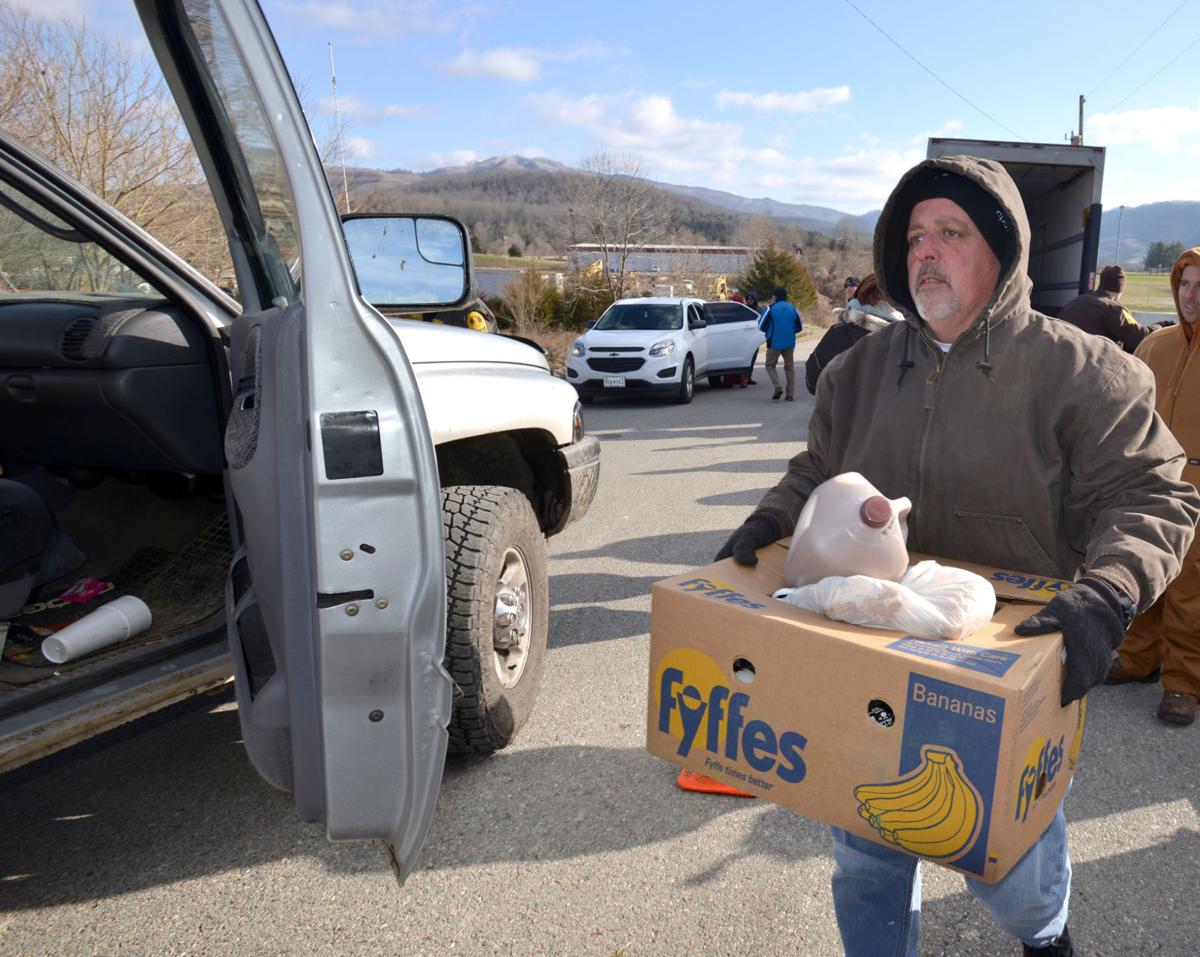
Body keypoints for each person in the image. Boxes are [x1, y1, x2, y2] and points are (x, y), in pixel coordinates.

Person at [715, 156, 1199, 956]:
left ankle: (1047, 938)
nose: (925, 253)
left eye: (952, 232)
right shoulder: (860, 371)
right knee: (865, 858)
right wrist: (771, 518)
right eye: (913, 236)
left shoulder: (1081, 372)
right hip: (867, 660)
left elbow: (1156, 494)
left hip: (1003, 674)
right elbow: (817, 470)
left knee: (1016, 875)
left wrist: (1109, 590)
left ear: (1002, 254)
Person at [1106, 247, 1200, 725]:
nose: (1191, 295)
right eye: (1185, 284)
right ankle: (1137, 658)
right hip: (1154, 478)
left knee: (1190, 589)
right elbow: (1131, 410)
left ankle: (1183, 681)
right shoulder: (1154, 345)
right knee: (1146, 572)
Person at [804, 273, 900, 395]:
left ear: (860, 295)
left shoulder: (839, 333)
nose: (848, 289)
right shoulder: (913, 338)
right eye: (847, 286)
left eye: (852, 286)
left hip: (847, 410)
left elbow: (813, 381)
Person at [1057, 264, 1172, 352]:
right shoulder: (1114, 310)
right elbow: (1141, 338)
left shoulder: (1075, 302)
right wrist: (1162, 326)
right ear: (1121, 290)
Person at [758, 286, 803, 400]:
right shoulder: (793, 308)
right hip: (789, 342)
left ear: (775, 297)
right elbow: (800, 326)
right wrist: (791, 331)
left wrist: (768, 330)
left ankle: (777, 386)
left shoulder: (770, 308)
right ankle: (790, 394)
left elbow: (760, 324)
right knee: (789, 367)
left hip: (774, 342)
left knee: (770, 365)